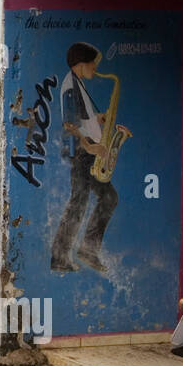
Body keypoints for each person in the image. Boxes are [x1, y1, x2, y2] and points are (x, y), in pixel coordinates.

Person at [49, 42, 124, 274]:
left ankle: (84, 251)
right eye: (92, 63)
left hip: (86, 151)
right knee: (83, 202)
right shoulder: (71, 86)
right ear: (81, 64)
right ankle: (64, 256)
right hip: (83, 153)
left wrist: (98, 119)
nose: (95, 67)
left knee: (100, 198)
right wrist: (90, 148)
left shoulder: (78, 84)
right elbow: (70, 126)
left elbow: (81, 120)